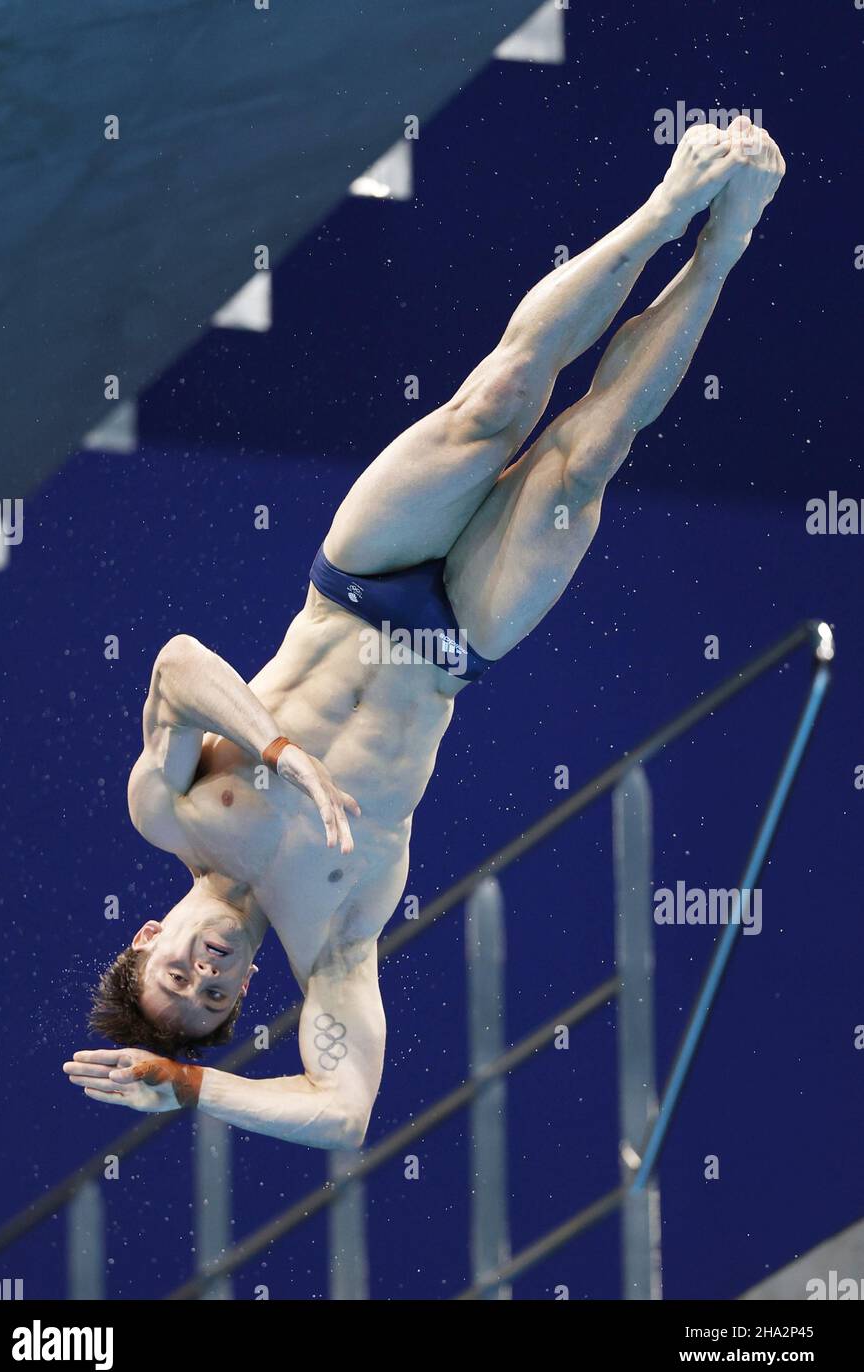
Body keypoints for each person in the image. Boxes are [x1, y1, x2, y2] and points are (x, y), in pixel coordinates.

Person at [64, 117, 784, 1149]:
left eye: (178, 968)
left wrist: (279, 755)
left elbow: (177, 666)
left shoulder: (165, 813)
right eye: (214, 997)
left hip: (357, 579)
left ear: (150, 931)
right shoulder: (334, 943)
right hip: (454, 645)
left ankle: (664, 208)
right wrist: (188, 1085)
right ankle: (722, 247)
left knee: (495, 399)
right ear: (244, 993)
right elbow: (341, 1116)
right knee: (581, 455)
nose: (206, 969)